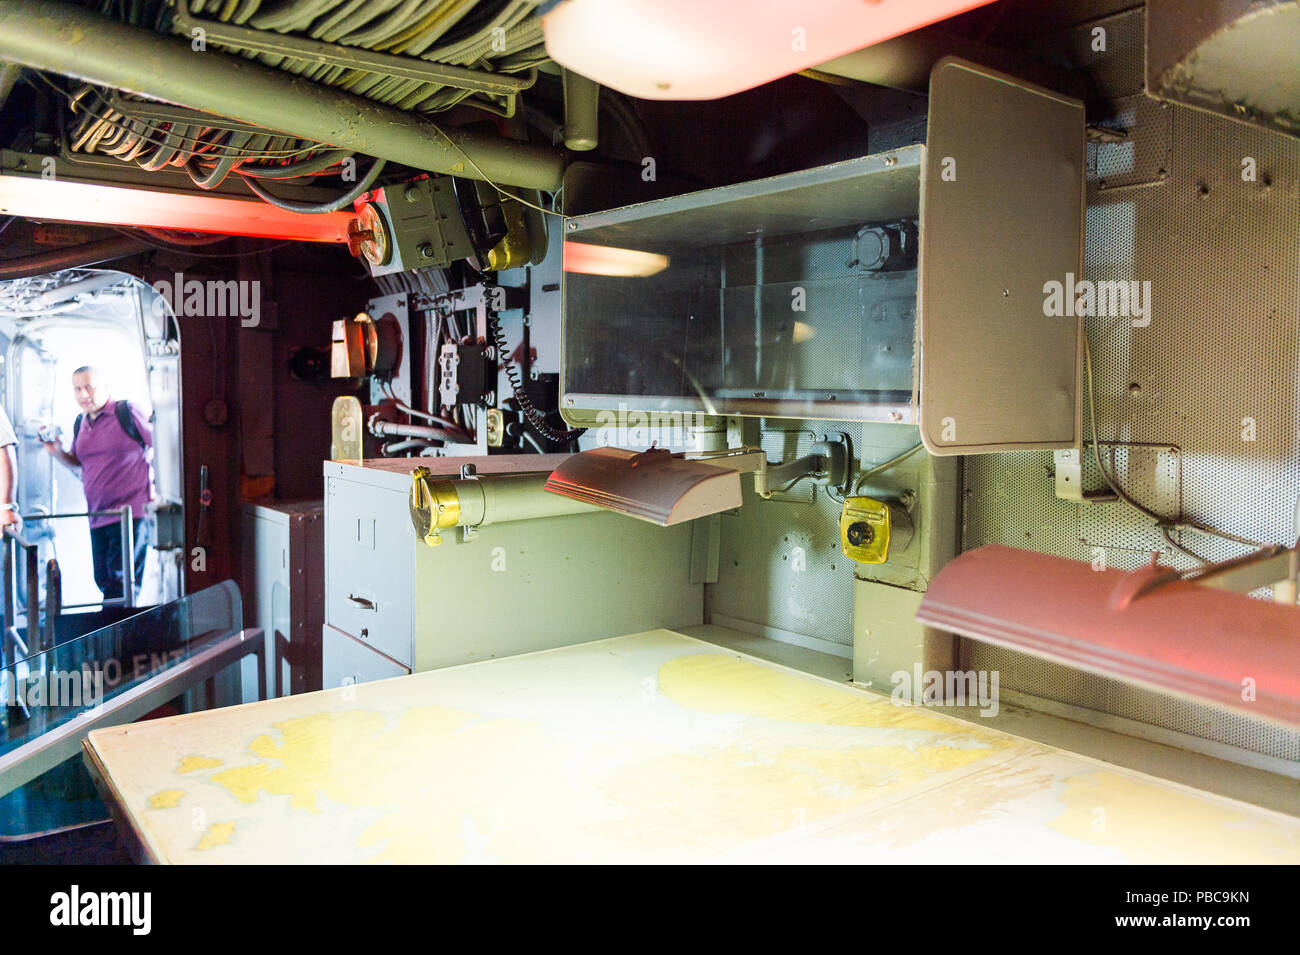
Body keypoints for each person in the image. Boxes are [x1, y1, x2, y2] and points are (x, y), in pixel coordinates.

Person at [43, 366, 153, 601]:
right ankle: (114, 631)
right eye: (78, 389)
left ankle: (115, 634)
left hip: (129, 514)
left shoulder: (127, 412)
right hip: (97, 515)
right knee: (103, 579)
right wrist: (56, 451)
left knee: (121, 584)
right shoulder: (80, 423)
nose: (84, 394)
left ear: (105, 387)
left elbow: (161, 443)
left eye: (89, 387)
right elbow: (79, 462)